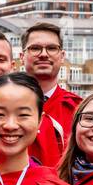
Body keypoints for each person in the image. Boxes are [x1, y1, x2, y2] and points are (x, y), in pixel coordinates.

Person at [21, 22, 79, 167]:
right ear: (22, 56)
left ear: (62, 56)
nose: (44, 54)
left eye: (52, 48)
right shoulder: (2, 107)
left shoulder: (79, 109)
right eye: (35, 48)